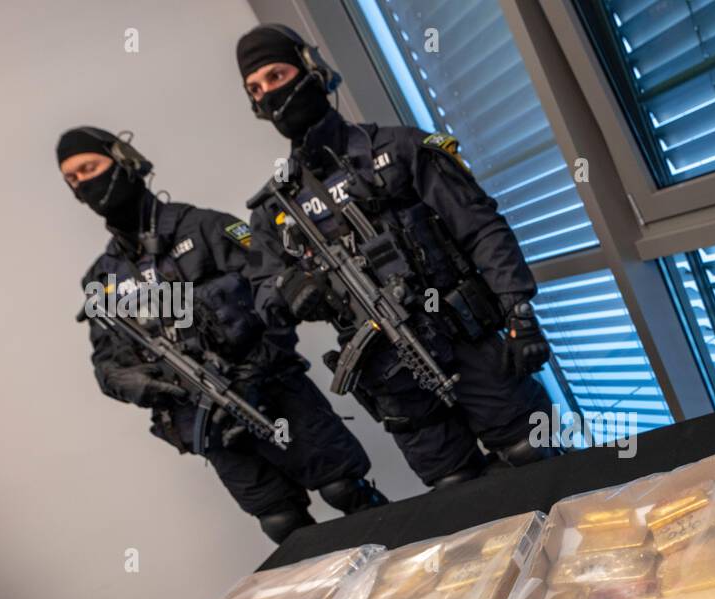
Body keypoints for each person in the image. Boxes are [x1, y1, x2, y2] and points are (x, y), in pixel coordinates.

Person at [236, 24, 559, 488]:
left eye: (277, 75)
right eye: (255, 88)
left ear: (311, 69)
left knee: (536, 455)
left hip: (469, 340)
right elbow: (265, 294)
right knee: (460, 495)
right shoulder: (275, 209)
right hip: (393, 375)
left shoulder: (401, 148)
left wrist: (520, 310)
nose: (269, 94)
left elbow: (482, 229)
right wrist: (291, 290)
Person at [57, 126, 387, 543]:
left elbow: (275, 289)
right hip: (204, 420)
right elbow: (106, 364)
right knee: (281, 522)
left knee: (344, 489)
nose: (84, 183)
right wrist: (134, 383)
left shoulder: (206, 228)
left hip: (276, 396)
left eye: (90, 168)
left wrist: (256, 368)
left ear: (124, 160)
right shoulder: (103, 279)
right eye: (73, 179)